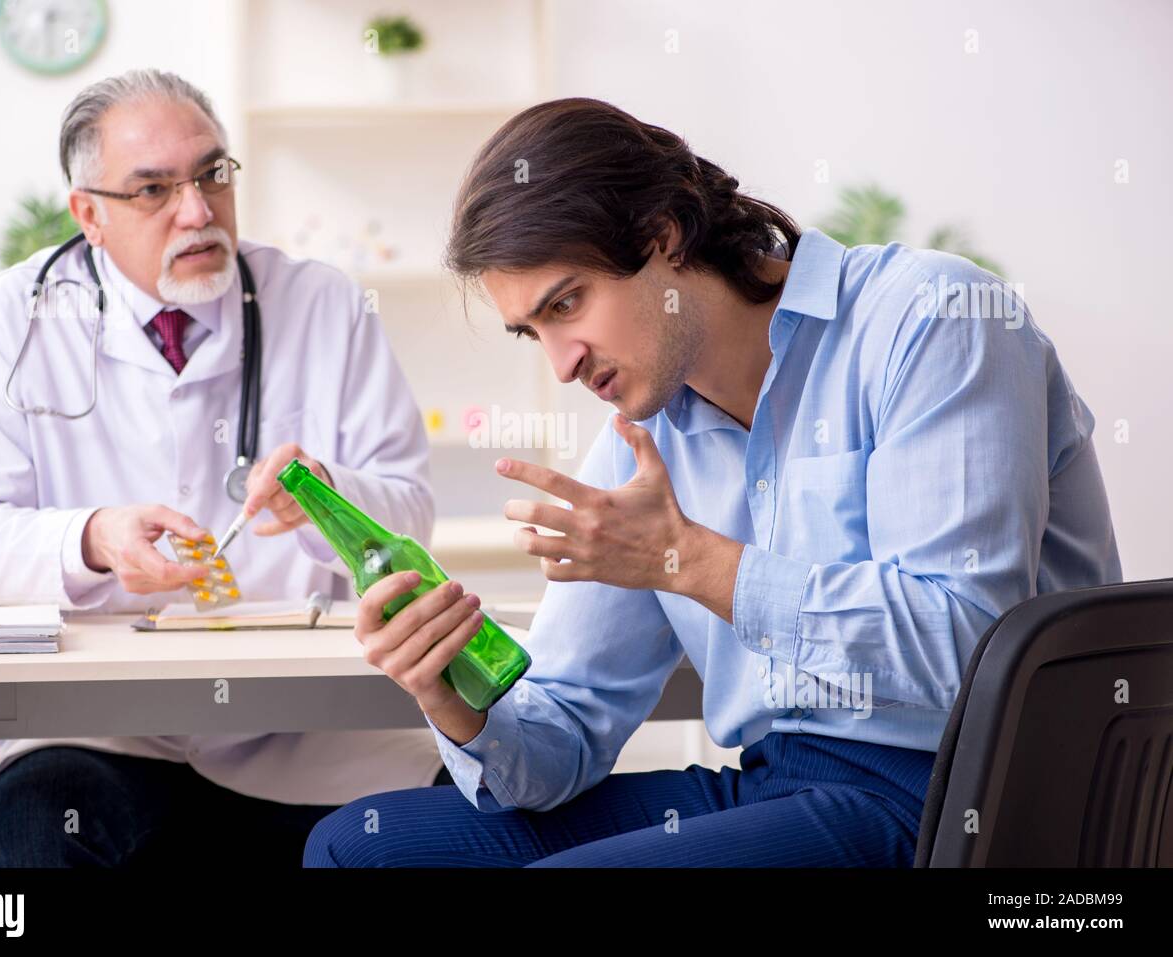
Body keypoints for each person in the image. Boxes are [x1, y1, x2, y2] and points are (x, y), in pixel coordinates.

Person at [303, 97, 1122, 867]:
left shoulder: (935, 318)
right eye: (532, 333)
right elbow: (564, 740)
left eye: (568, 304)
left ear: (665, 235)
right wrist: (452, 693)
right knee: (360, 848)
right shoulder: (643, 439)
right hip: (784, 779)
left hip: (967, 792)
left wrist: (688, 562)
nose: (561, 364)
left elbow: (964, 647)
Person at [0, 69, 447, 867]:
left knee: (427, 834)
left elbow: (410, 510)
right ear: (89, 214)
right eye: (154, 190)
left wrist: (328, 501)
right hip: (101, 723)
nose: (198, 210)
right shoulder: (10, 319)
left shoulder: (324, 305)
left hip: (309, 732)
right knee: (33, 828)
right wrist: (92, 537)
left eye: (212, 174)